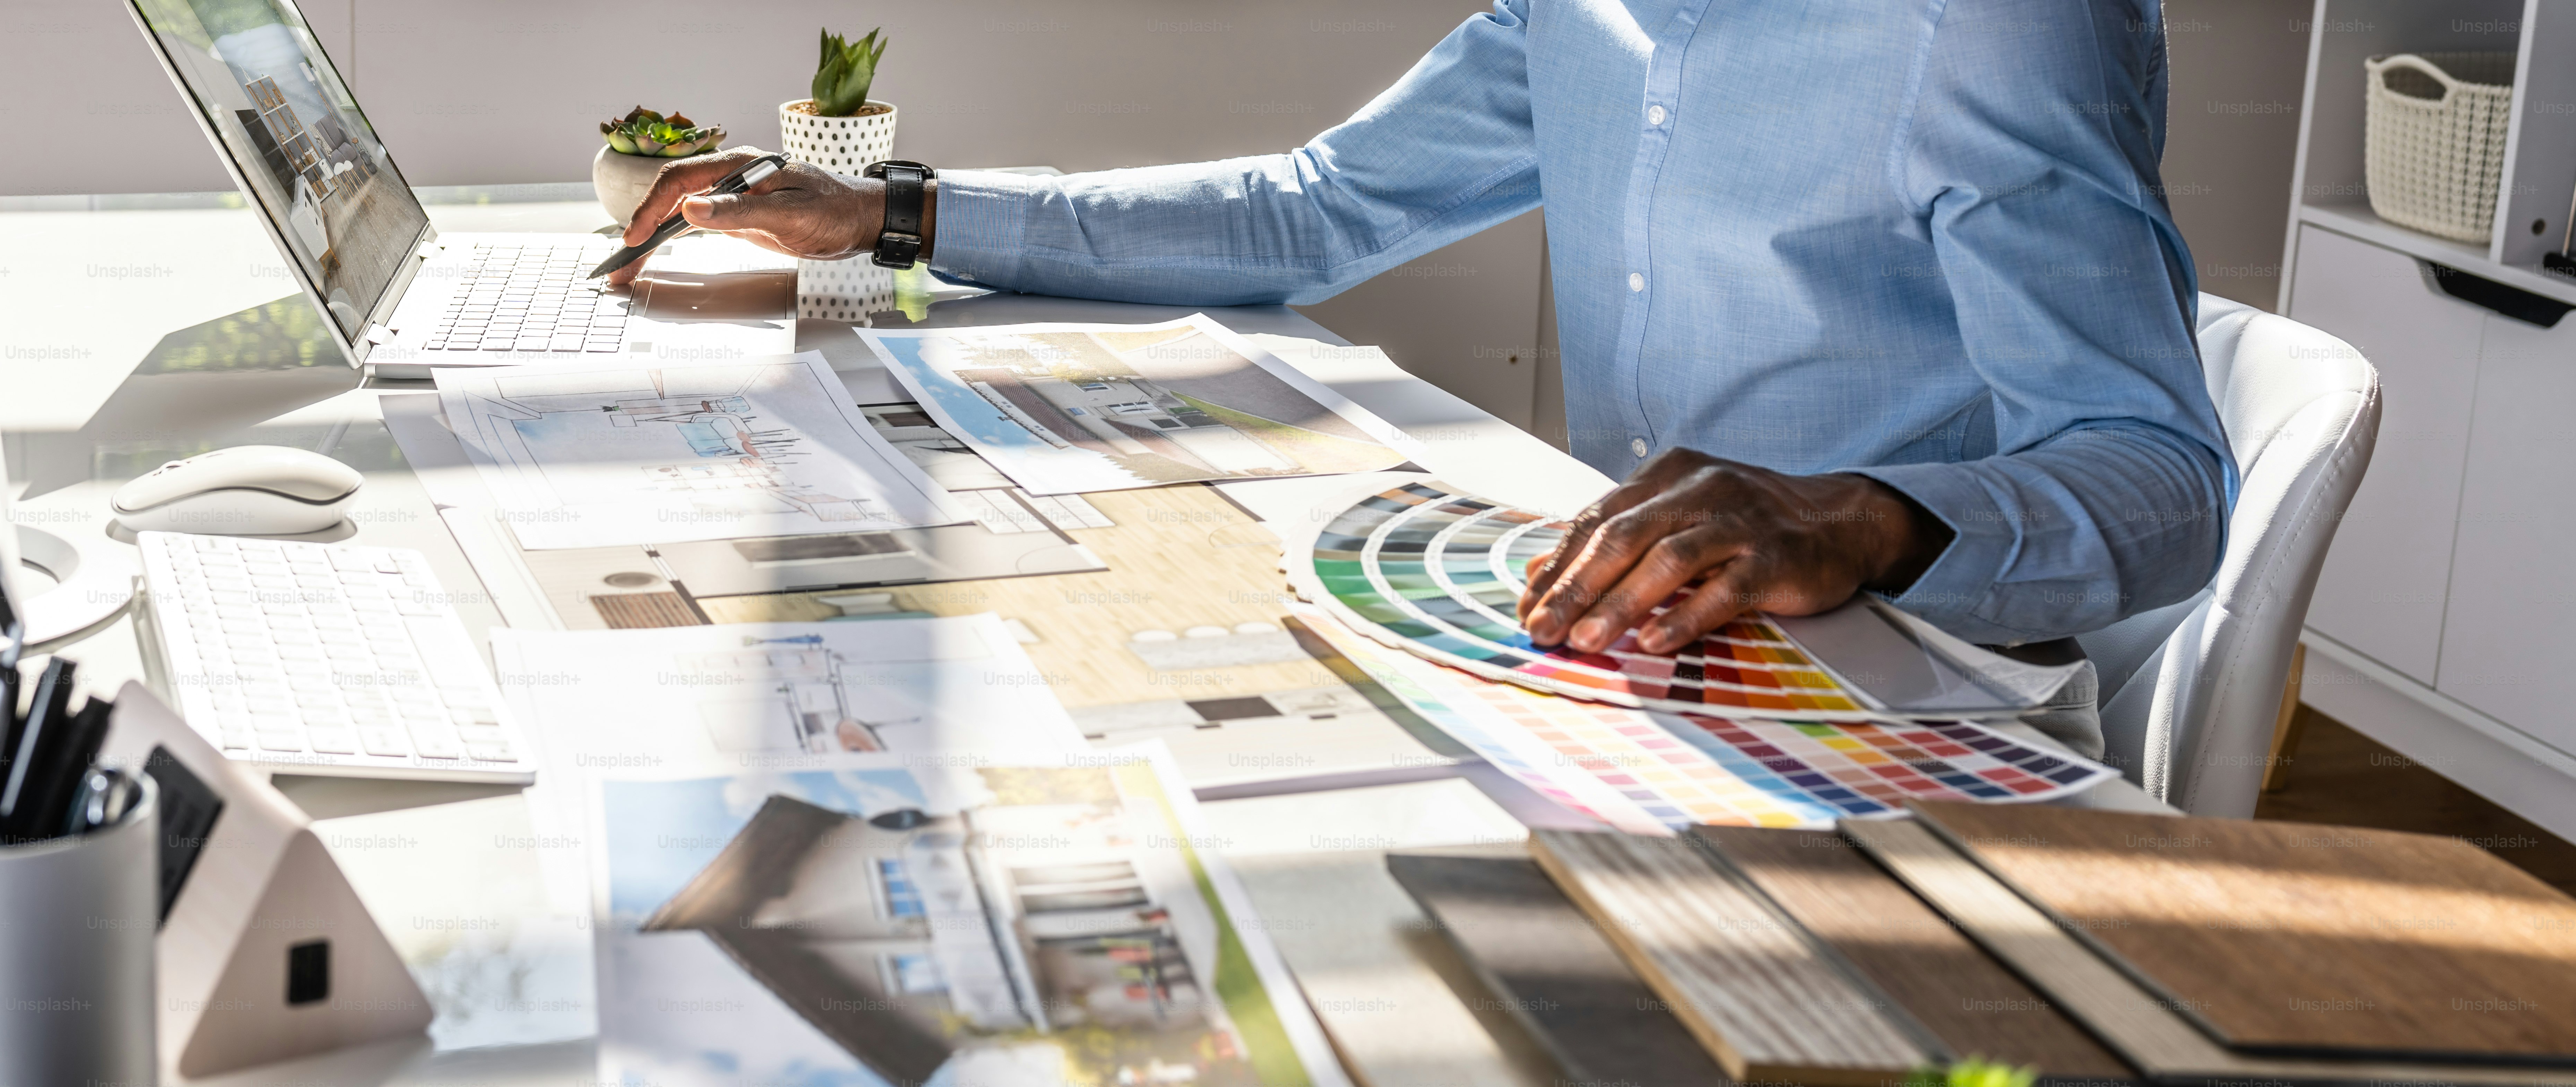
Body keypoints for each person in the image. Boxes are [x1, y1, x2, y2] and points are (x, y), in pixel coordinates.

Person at [610, 0, 2230, 755]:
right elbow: (1309, 210)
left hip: (1903, 703)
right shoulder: (1576, 16)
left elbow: (2155, 476)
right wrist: (902, 211)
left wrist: (1858, 514)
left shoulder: (1994, 29)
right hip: (1619, 673)